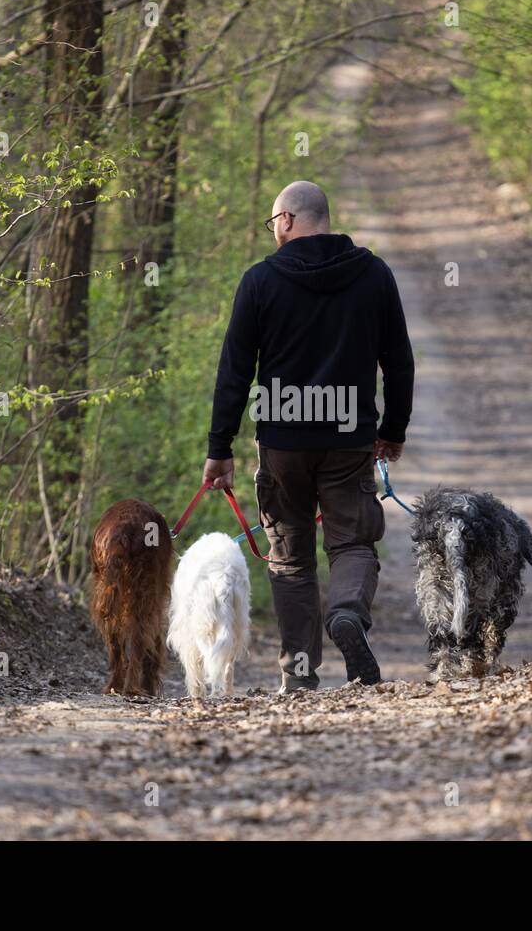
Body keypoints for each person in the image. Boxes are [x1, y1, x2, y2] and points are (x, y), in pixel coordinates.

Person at [203, 180, 415, 691]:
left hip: (282, 441)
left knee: (290, 555)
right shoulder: (373, 274)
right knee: (353, 542)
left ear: (290, 219)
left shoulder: (259, 281)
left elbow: (234, 371)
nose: (273, 231)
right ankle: (346, 613)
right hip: (350, 437)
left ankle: (299, 677)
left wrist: (220, 448)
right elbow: (399, 362)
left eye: (273, 221)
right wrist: (393, 431)